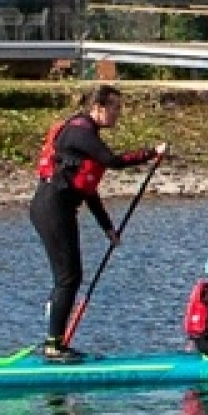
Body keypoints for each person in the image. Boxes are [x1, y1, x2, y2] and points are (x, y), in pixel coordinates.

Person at [30, 85, 161, 362]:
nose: (118, 114)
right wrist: (151, 153)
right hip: (52, 207)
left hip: (57, 207)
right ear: (98, 108)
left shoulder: (84, 134)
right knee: (69, 278)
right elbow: (113, 161)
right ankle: (53, 346)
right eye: (115, 108)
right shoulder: (80, 132)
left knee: (69, 277)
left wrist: (107, 228)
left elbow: (87, 189)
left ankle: (56, 342)